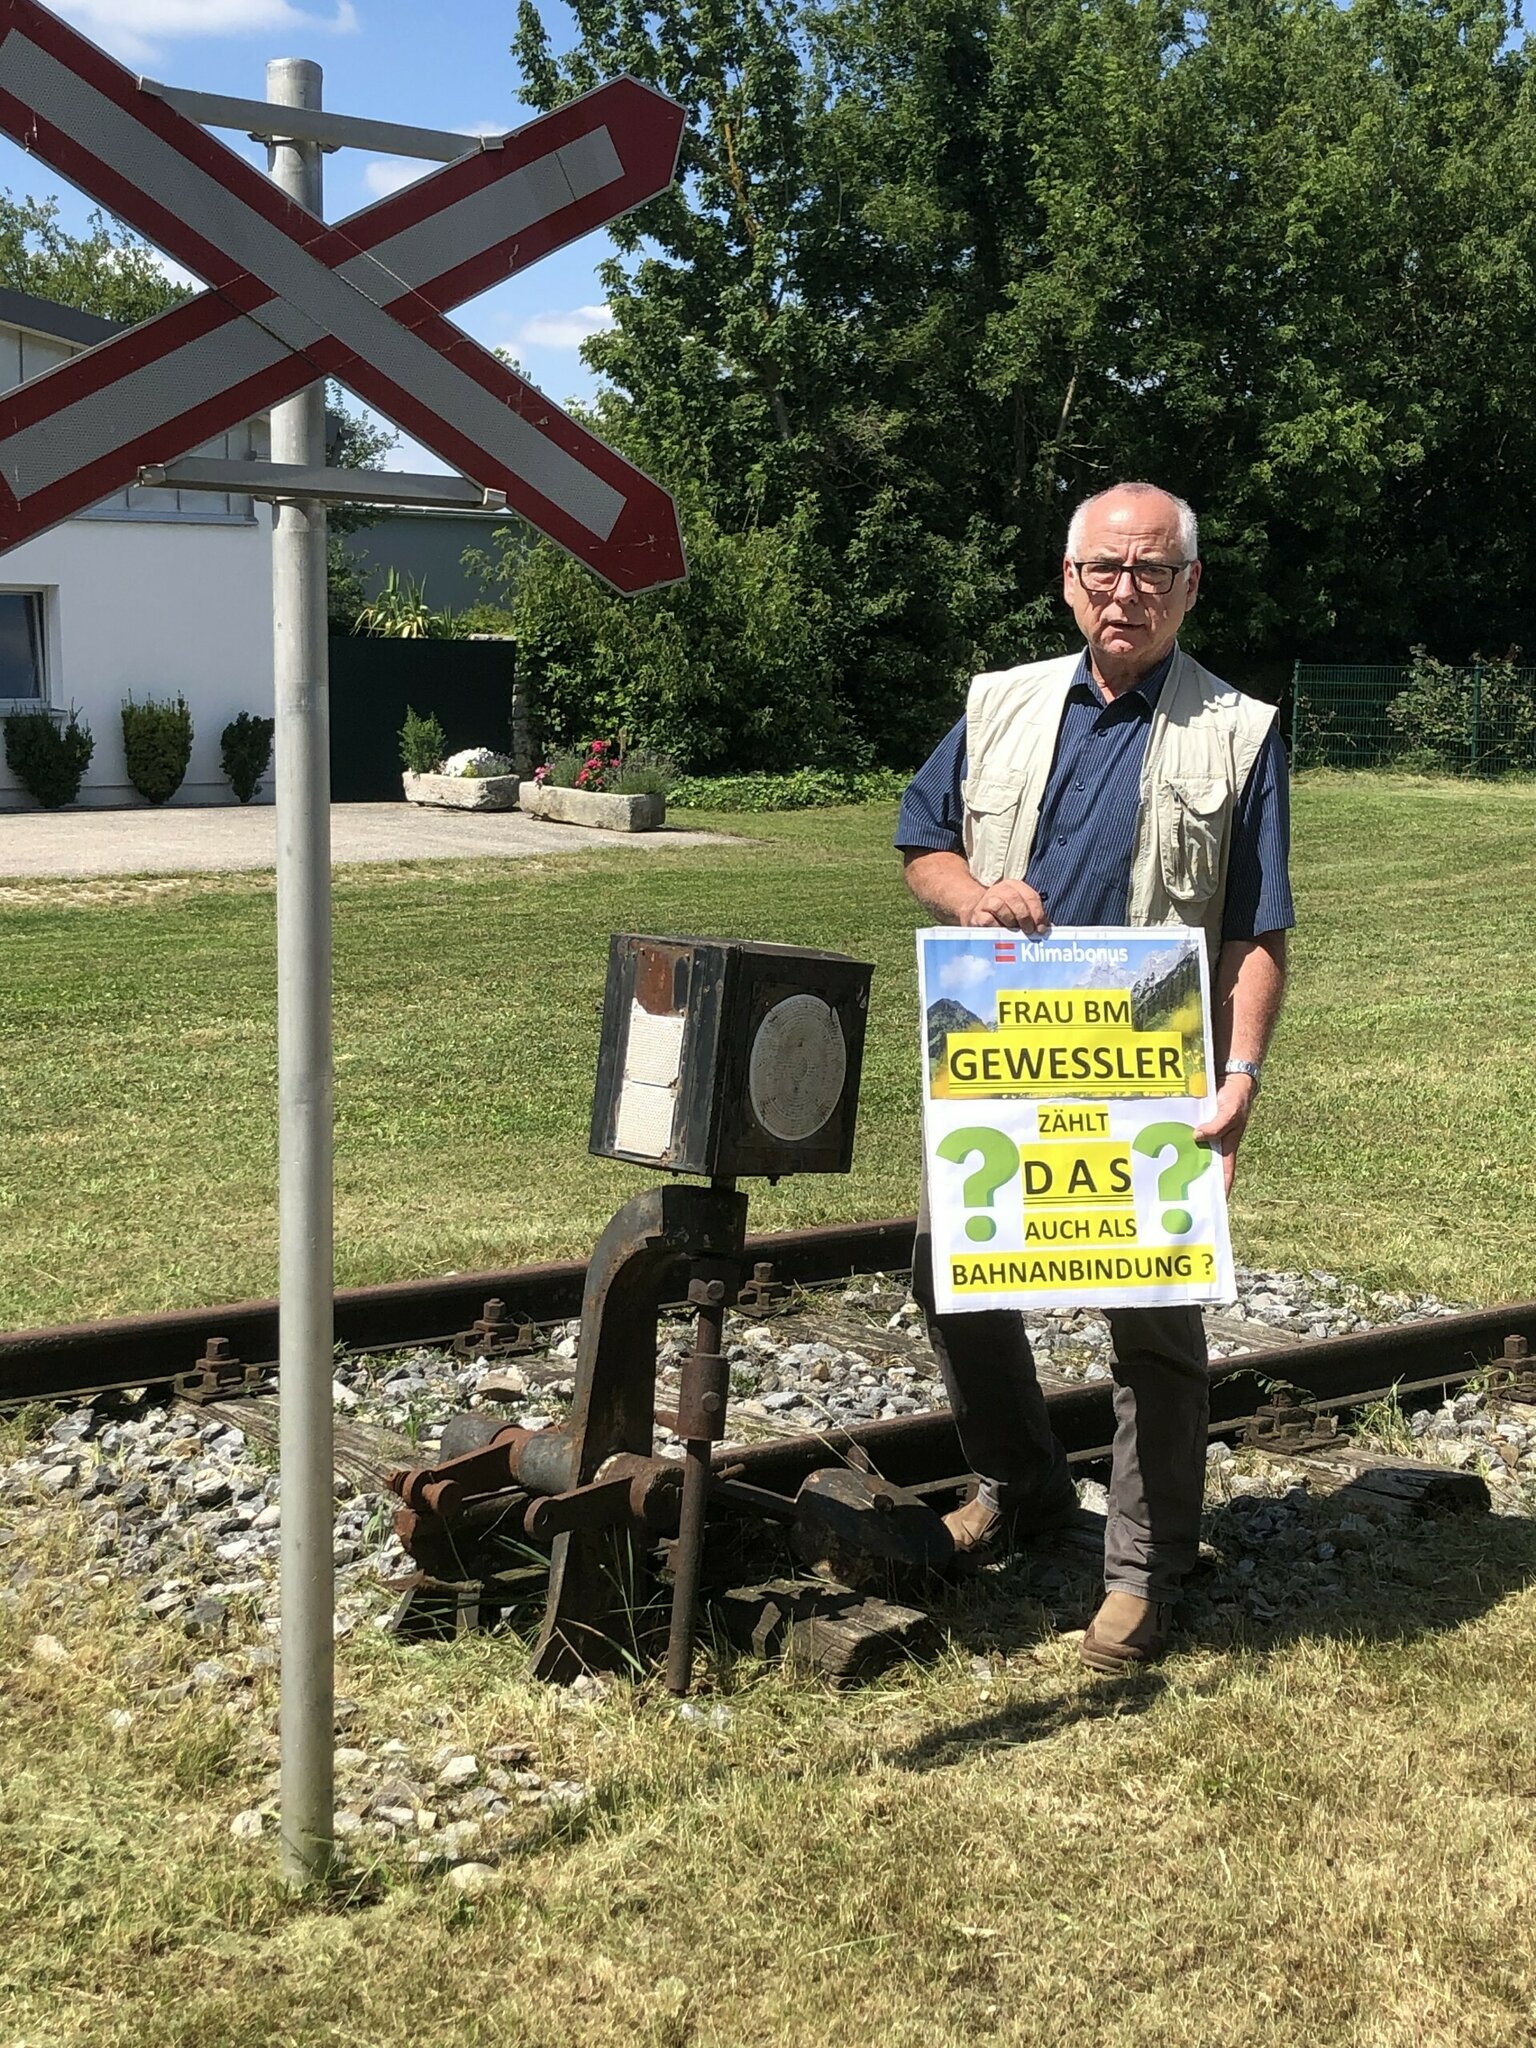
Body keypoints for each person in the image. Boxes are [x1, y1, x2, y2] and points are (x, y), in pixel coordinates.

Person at [897, 480, 1293, 1673]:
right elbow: (924, 840)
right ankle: (1022, 1488)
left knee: (1155, 1318)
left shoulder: (1240, 728)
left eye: (1154, 570)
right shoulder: (1001, 703)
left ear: (1190, 585)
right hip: (1003, 1057)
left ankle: (1142, 1569)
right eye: (1106, 570)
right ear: (1070, 580)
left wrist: (1241, 1072)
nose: (1128, 591)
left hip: (1148, 1065)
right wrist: (974, 895)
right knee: (948, 1271)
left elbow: (1256, 931)